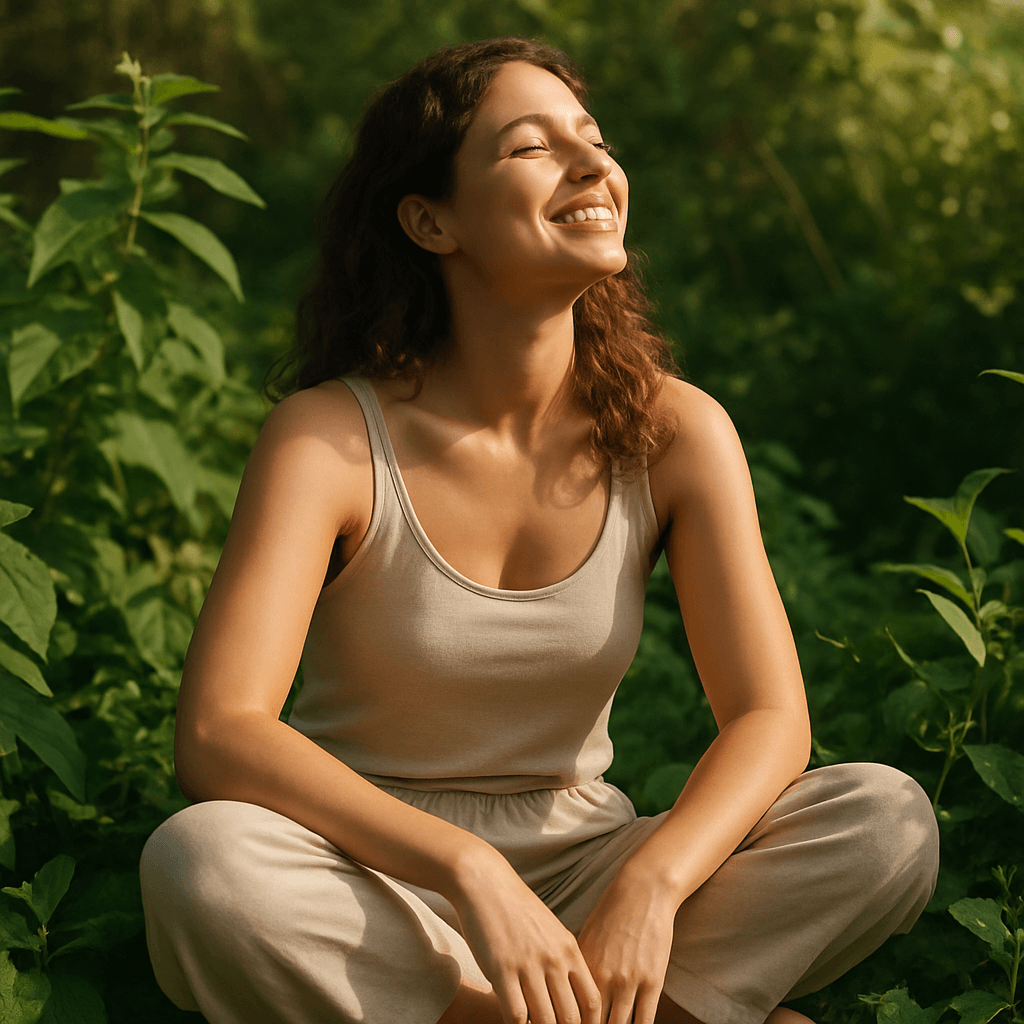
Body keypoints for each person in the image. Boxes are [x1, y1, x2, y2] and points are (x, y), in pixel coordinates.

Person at [140, 36, 939, 1024]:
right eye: (531, 147)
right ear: (432, 220)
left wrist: (649, 886)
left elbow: (771, 720)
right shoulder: (329, 438)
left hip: (592, 879)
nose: (590, 162)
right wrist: (469, 869)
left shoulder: (676, 431)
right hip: (377, 882)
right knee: (205, 865)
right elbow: (222, 730)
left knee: (883, 821)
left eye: (593, 140)